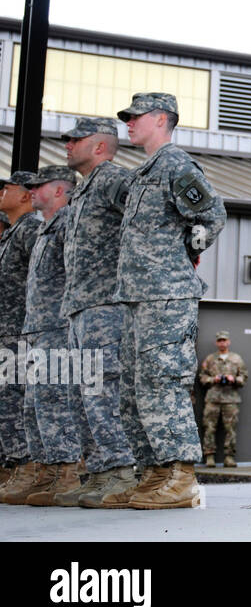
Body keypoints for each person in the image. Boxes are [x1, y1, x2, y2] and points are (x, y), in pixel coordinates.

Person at [102, 93, 226, 511]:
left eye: (135, 117)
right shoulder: (142, 174)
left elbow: (212, 215)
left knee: (163, 382)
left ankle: (181, 477)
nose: (129, 124)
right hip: (138, 297)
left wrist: (186, 251)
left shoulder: (175, 165)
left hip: (167, 294)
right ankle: (153, 474)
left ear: (160, 119)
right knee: (136, 389)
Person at [57, 116, 138, 508]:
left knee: (105, 391)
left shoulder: (113, 181)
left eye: (76, 140)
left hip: (107, 306)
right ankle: (102, 471)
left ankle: (123, 473)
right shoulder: (81, 190)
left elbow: (152, 224)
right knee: (83, 395)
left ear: (101, 146)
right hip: (79, 307)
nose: (68, 145)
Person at [6, 167, 81, 505]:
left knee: (54, 402)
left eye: (40, 185)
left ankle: (65, 474)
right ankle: (44, 471)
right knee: (34, 406)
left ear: (59, 190)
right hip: (35, 328)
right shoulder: (45, 228)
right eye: (30, 186)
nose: (33, 190)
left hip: (56, 328)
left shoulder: (62, 225)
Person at [0, 171, 42, 500]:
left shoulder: (29, 230)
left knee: (15, 399)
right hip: (7, 332)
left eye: (8, 188)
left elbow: (41, 280)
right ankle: (12, 466)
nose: (2, 192)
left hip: (19, 332)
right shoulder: (12, 233)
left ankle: (23, 465)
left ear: (26, 195)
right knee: (7, 400)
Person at [199, 331, 248, 468]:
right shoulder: (210, 359)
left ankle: (229, 457)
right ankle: (209, 456)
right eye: (219, 340)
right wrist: (212, 379)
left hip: (230, 399)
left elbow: (244, 377)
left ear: (228, 342)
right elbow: (201, 377)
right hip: (213, 398)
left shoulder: (237, 359)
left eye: (224, 340)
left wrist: (234, 379)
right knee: (209, 427)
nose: (222, 343)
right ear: (216, 343)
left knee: (230, 429)